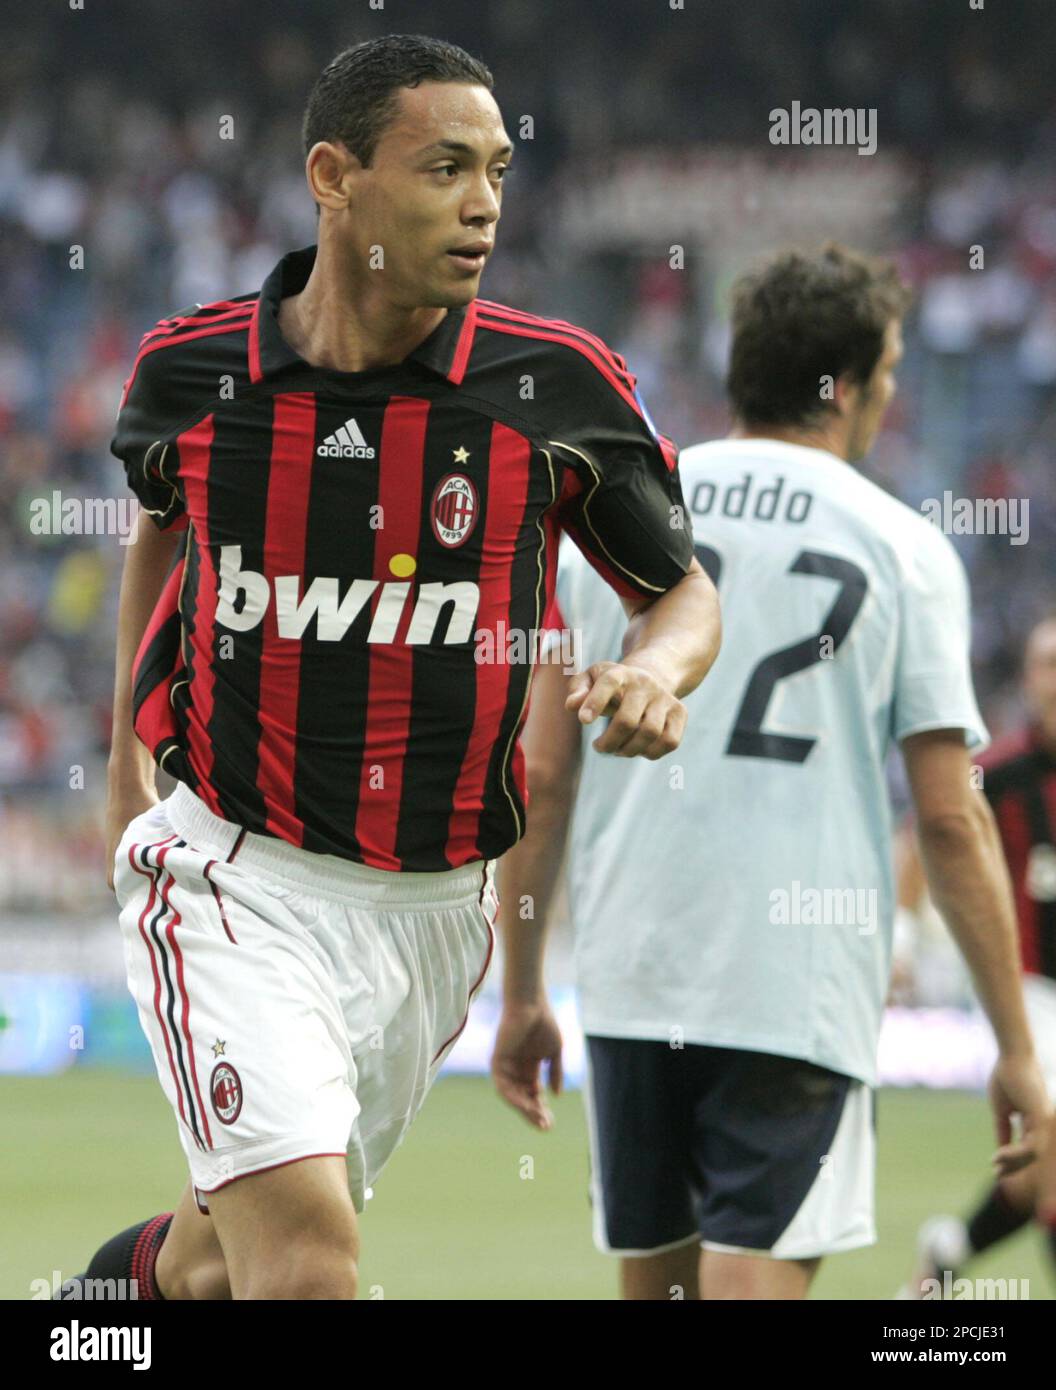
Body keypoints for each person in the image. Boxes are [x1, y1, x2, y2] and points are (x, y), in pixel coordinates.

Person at [63, 34, 719, 1302]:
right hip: (231, 872)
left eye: (499, 172)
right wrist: (123, 772)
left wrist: (661, 672)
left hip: (434, 915)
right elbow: (161, 524)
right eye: (444, 168)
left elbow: (681, 592)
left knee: (211, 1267)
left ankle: (85, 1319)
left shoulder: (553, 386)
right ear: (335, 176)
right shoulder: (193, 375)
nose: (483, 202)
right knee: (309, 1269)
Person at [491, 243, 1050, 1300]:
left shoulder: (612, 518)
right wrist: (1016, 1047)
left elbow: (545, 775)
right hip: (799, 987)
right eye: (886, 371)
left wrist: (522, 986)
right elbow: (948, 819)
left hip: (635, 973)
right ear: (855, 383)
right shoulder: (904, 547)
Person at [898, 614, 1056, 1295]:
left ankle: (949, 1255)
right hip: (1031, 996)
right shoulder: (1000, 774)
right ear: (1027, 678)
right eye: (1048, 663)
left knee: (1028, 1183)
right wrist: (901, 934)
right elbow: (925, 834)